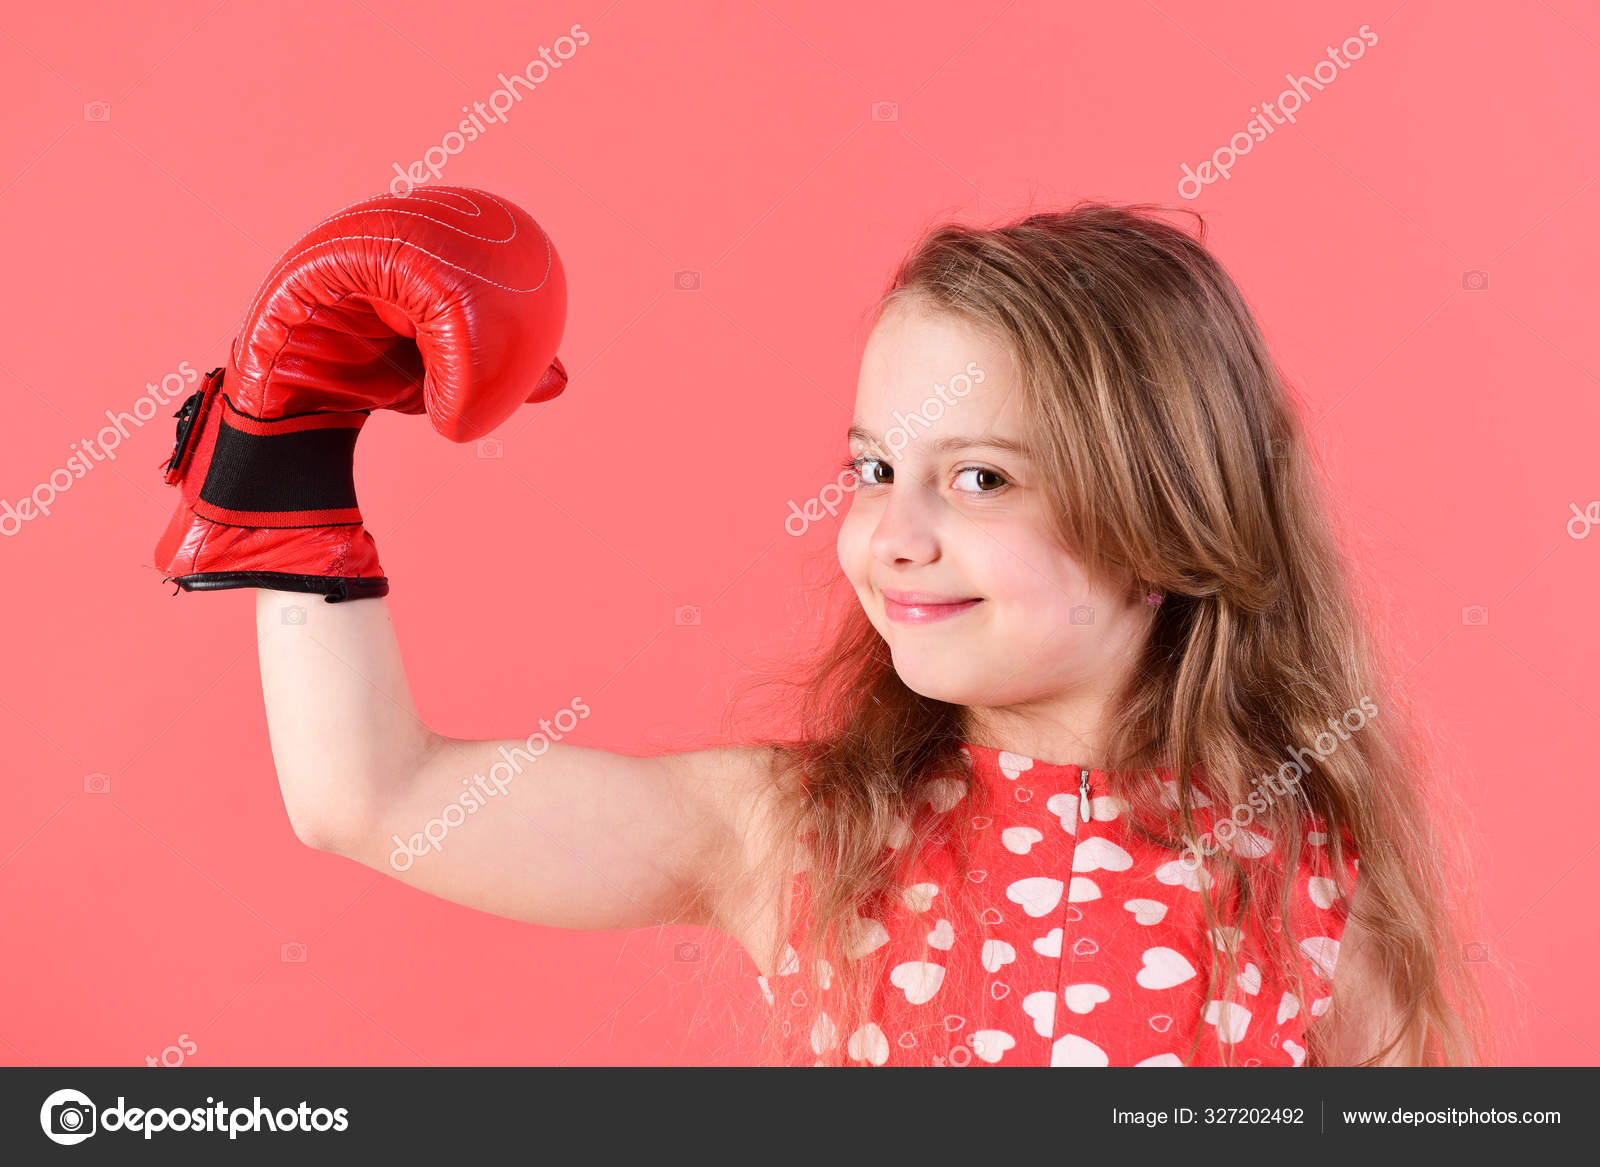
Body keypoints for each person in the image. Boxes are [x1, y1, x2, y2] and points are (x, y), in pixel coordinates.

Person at [157, 188, 1493, 1067]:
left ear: (1168, 518)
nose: (893, 533)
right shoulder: (807, 834)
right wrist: (290, 467)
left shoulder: (1305, 869)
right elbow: (373, 796)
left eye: (980, 478)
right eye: (873, 469)